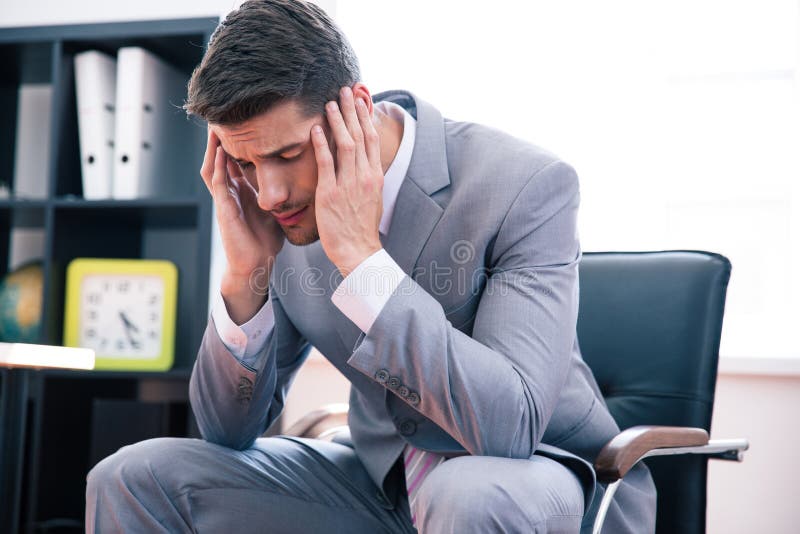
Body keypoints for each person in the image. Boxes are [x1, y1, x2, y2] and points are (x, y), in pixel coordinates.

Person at [85, 1, 657, 532]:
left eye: (287, 155)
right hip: (379, 481)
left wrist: (363, 261)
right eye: (245, 162)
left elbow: (509, 427)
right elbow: (227, 431)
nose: (268, 192)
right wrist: (245, 275)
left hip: (539, 471)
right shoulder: (275, 214)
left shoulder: (524, 185)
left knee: (467, 492)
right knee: (135, 476)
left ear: (354, 110)